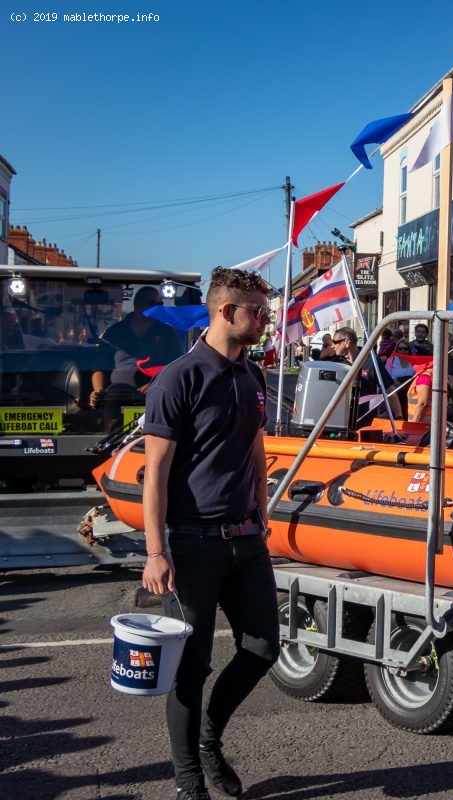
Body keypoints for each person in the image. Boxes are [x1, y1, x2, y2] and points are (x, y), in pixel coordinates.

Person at [139, 267, 279, 800]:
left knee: (264, 648)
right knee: (191, 668)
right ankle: (188, 780)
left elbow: (257, 452)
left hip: (246, 540)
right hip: (193, 543)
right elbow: (155, 474)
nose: (265, 320)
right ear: (226, 312)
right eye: (257, 312)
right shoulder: (179, 378)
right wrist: (156, 552)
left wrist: (263, 517)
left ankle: (208, 739)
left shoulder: (254, 376)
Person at [91, 287, 185, 428]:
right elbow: (100, 367)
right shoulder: (114, 332)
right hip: (118, 395)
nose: (159, 308)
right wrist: (98, 392)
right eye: (155, 305)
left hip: (156, 393)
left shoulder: (168, 333)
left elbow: (179, 367)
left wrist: (155, 384)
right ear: (138, 305)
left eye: (161, 305)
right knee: (113, 396)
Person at [328, 328, 405, 427]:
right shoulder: (336, 364)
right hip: (340, 423)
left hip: (366, 423)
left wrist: (399, 416)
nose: (333, 346)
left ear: (347, 342)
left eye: (335, 342)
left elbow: (389, 390)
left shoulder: (371, 361)